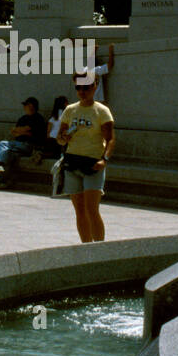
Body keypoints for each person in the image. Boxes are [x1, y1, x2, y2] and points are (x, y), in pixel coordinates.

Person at [57, 71, 115, 242]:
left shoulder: (102, 111)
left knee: (92, 209)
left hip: (93, 164)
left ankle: (99, 248)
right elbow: (60, 138)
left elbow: (111, 139)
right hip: (73, 161)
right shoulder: (70, 110)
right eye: (78, 88)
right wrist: (63, 138)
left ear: (95, 86)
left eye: (86, 87)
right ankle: (86, 248)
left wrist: (104, 159)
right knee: (79, 211)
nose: (82, 91)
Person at [0, 96, 48, 189]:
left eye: (26, 105)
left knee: (3, 143)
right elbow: (14, 132)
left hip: (31, 146)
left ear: (32, 106)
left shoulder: (38, 118)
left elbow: (30, 131)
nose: (24, 107)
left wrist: (23, 131)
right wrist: (24, 131)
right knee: (7, 154)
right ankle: (2, 181)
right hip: (19, 145)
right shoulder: (22, 118)